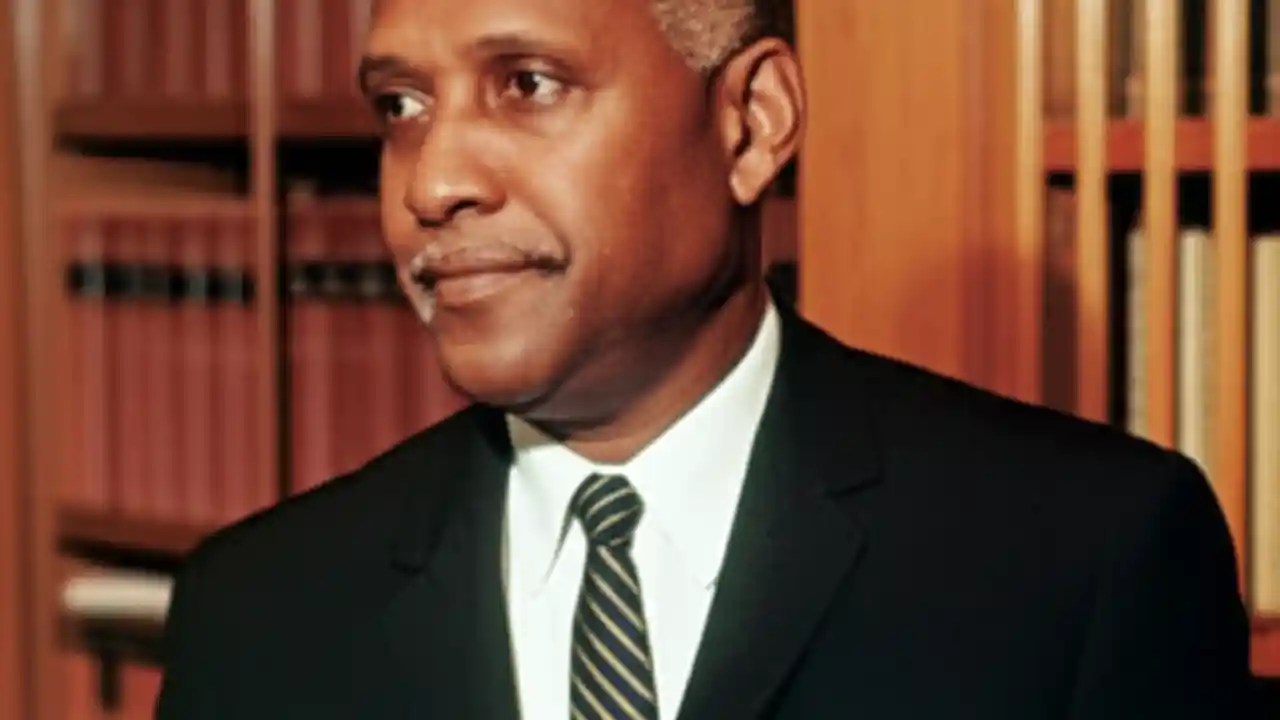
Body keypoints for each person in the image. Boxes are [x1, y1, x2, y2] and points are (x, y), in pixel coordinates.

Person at [155, 0, 1254, 717]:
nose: (430, 181)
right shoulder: (256, 617)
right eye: (400, 106)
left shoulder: (1083, 562)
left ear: (749, 124)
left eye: (528, 83)